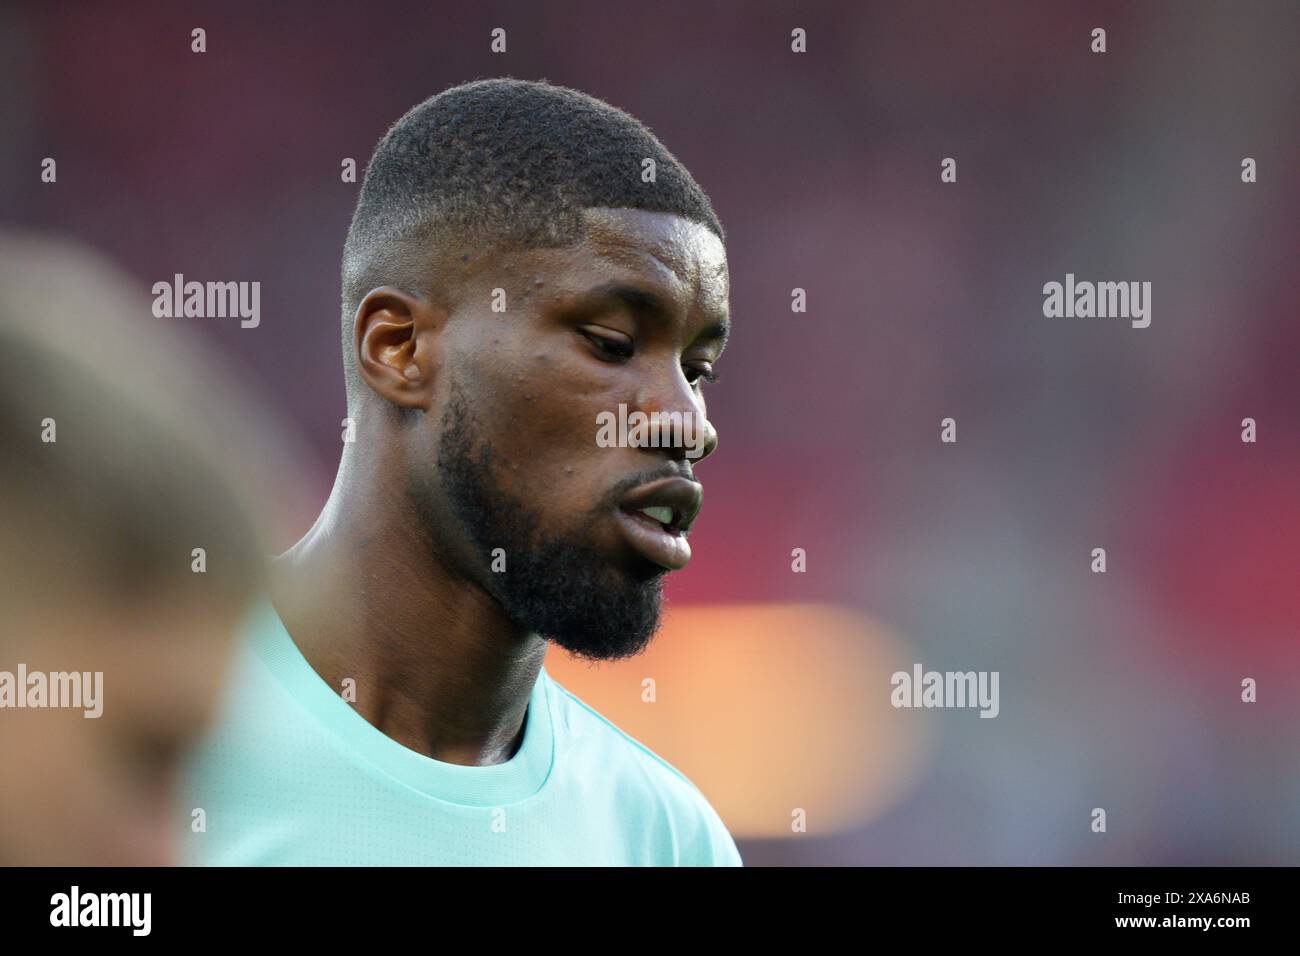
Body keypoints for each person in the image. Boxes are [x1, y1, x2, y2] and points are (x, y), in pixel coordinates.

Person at [182, 77, 741, 865]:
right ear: (399, 349)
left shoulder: (664, 840)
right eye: (612, 343)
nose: (689, 422)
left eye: (698, 368)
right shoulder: (132, 746)